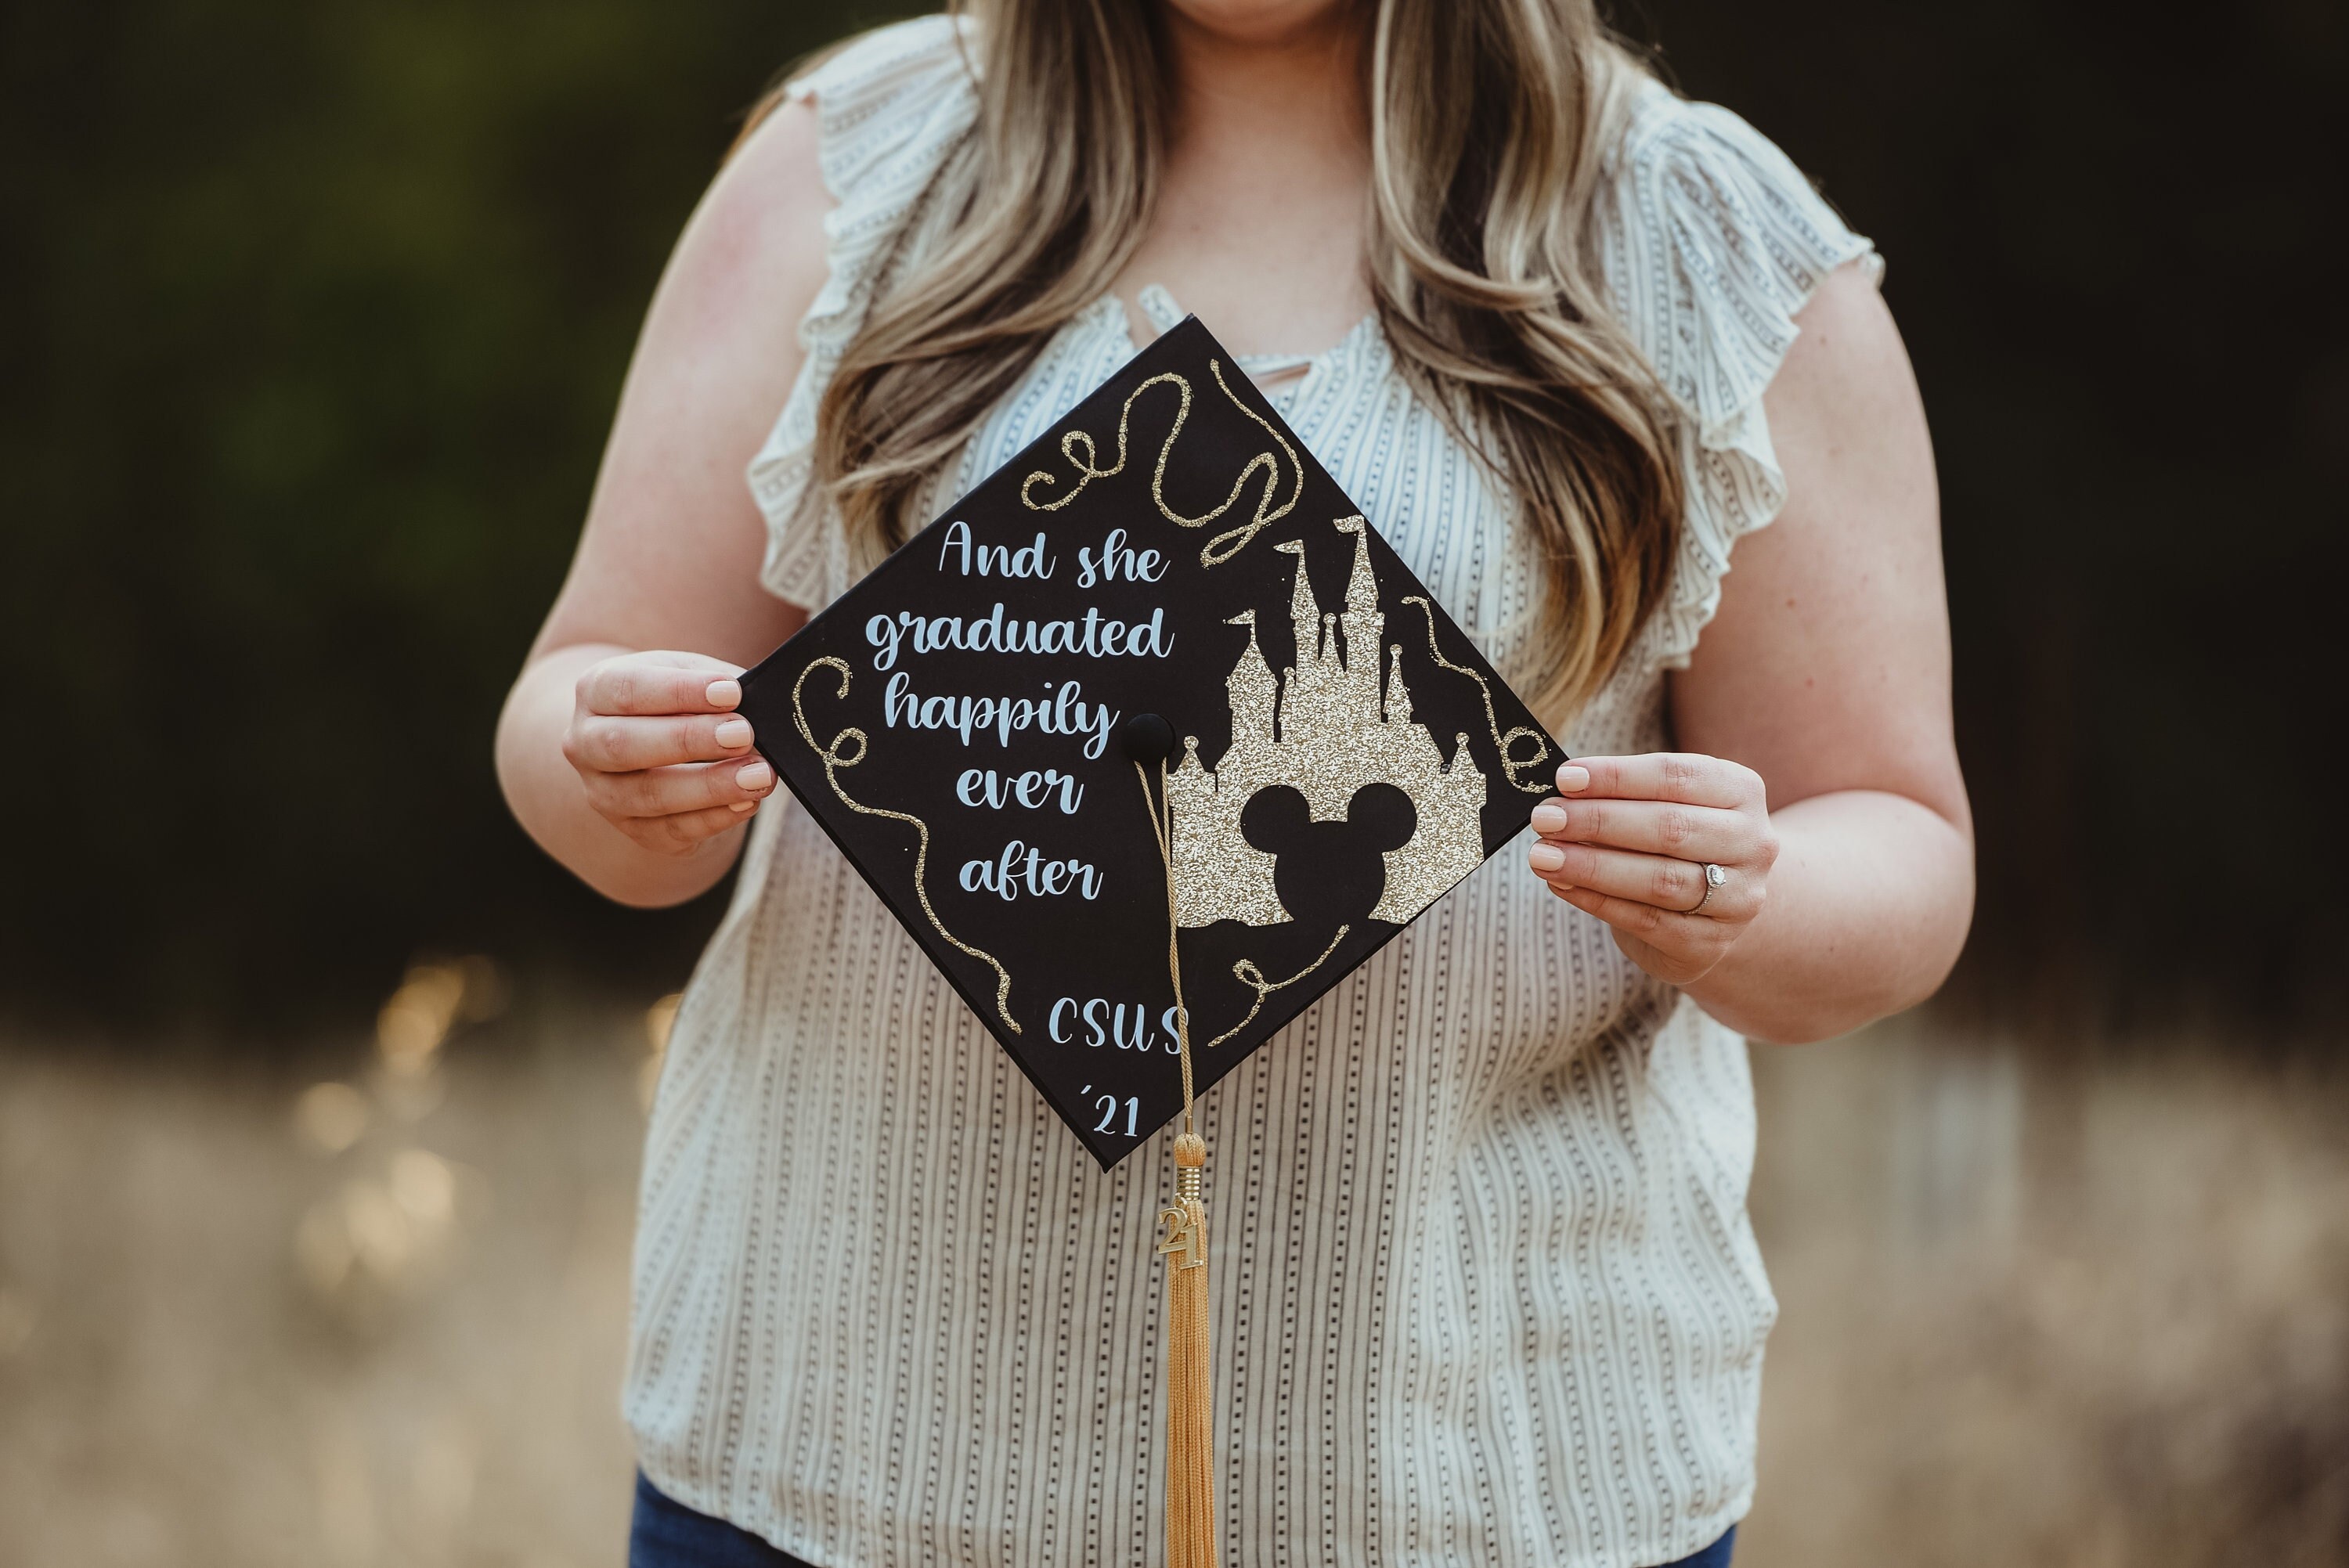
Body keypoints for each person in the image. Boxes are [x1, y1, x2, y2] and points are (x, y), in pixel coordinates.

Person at [495, 0, 1972, 1563]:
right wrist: (619, 774)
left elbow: (1902, 839)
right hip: (845, 1460)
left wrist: (1751, 896)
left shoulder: (1700, 241)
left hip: (1484, 1475)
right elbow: (578, 687)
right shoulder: (858, 165)